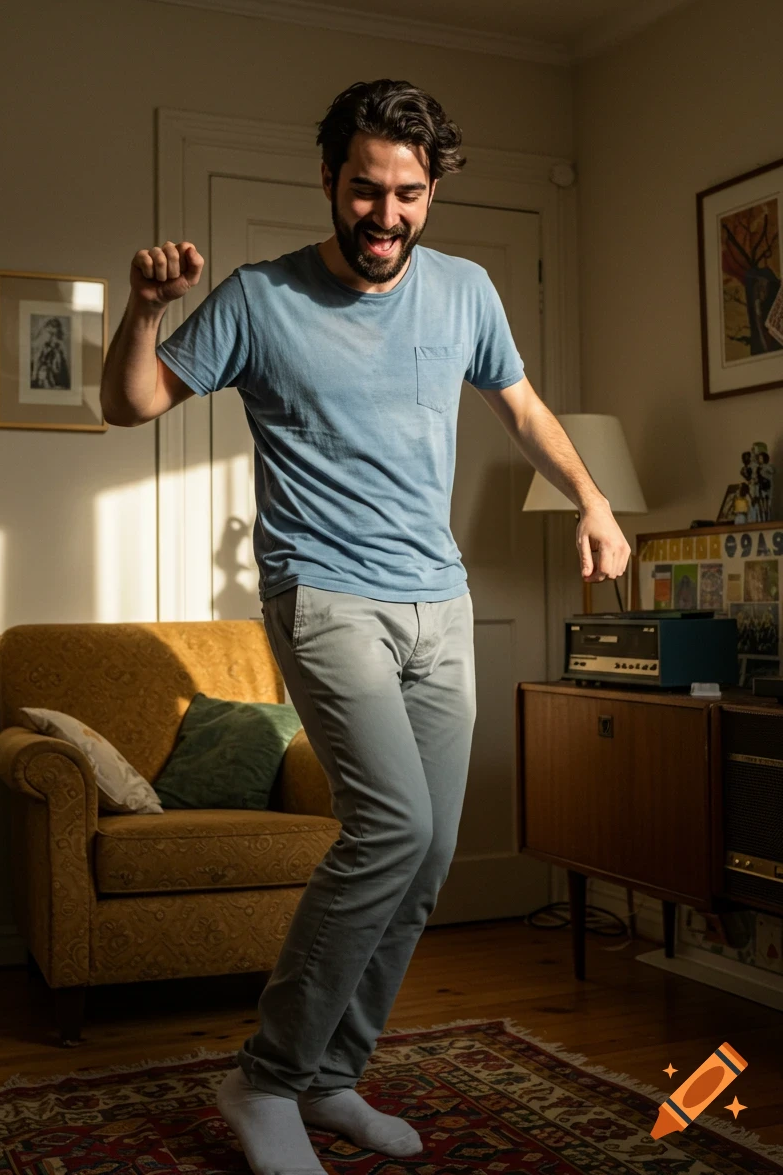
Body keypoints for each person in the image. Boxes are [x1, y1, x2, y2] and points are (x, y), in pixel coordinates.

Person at [100, 79, 630, 1175]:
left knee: (430, 848)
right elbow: (132, 402)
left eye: (406, 193)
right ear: (328, 180)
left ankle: (333, 1072)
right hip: (324, 592)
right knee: (387, 825)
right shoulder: (259, 297)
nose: (383, 215)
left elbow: (522, 406)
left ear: (430, 189)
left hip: (438, 598)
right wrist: (143, 306)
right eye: (362, 189)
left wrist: (593, 499)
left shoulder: (466, 290)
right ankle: (265, 1076)